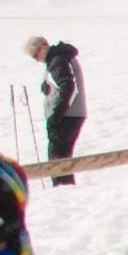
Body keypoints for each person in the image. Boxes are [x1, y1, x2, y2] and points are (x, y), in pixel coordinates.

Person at [26, 36, 85, 182]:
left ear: (43, 47)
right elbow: (62, 85)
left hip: (66, 116)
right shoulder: (59, 58)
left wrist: (57, 114)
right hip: (71, 114)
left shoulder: (57, 60)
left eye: (35, 55)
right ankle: (65, 189)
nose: (36, 59)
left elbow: (68, 87)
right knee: (62, 157)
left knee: (57, 158)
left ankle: (62, 191)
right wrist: (48, 88)